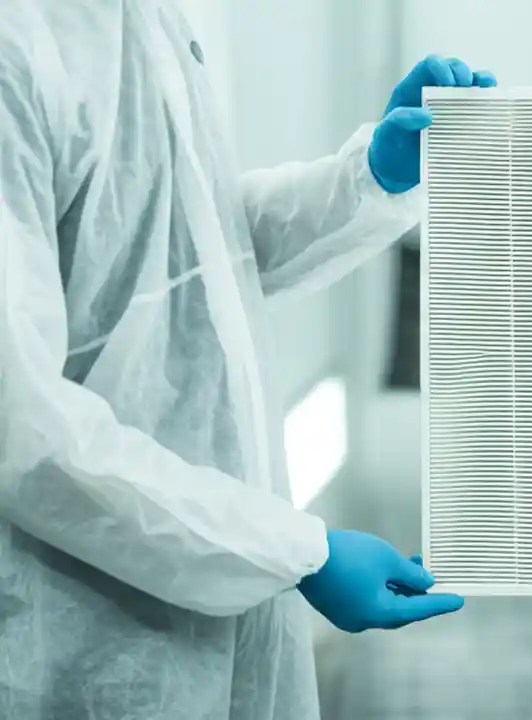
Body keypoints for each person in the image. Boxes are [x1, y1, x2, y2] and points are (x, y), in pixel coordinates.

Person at [0, 2, 494, 718]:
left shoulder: (147, 20)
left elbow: (192, 251)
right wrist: (299, 552)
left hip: (217, 609)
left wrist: (368, 177)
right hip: (85, 640)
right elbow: (25, 427)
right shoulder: (22, 41)